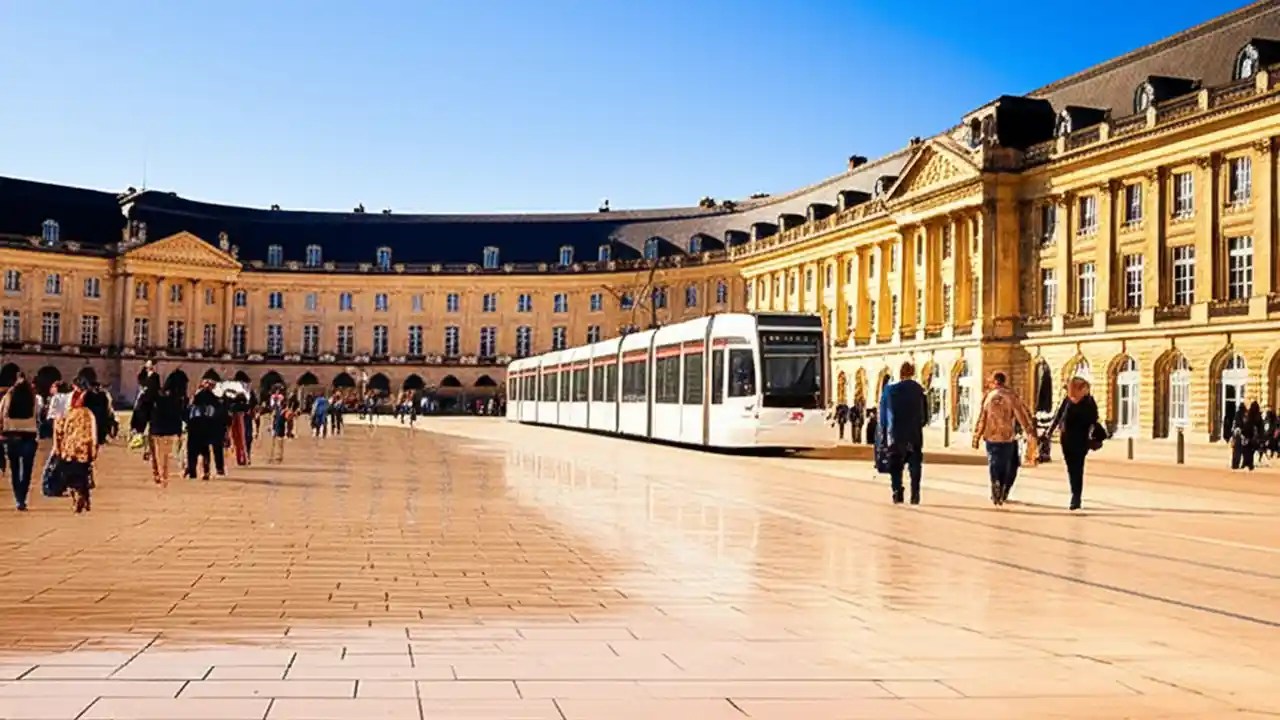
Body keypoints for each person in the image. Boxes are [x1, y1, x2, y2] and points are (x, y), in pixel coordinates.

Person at [972, 372, 1038, 506]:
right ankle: (1002, 488)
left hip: (991, 436)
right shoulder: (1011, 396)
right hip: (1007, 436)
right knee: (1008, 464)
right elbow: (1021, 414)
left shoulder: (988, 397)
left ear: (994, 382)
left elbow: (982, 418)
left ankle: (995, 482)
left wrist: (977, 436)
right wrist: (1029, 431)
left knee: (994, 461)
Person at [1047, 377, 1099, 511]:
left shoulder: (1089, 401)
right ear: (1078, 388)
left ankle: (1076, 497)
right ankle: (1074, 493)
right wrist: (1049, 432)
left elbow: (1094, 419)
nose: (1087, 391)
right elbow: (1058, 416)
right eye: (1085, 388)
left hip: (1081, 439)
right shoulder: (1067, 400)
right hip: (1066, 439)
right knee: (1071, 468)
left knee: (1078, 467)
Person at [879, 362, 928, 505]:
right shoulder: (919, 391)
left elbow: (883, 417)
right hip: (914, 435)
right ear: (912, 372)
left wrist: (883, 434)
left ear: (900, 373)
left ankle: (897, 491)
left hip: (894, 435)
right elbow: (925, 417)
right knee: (915, 464)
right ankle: (915, 493)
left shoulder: (889, 391)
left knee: (895, 465)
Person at [0, 374, 43, 511]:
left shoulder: (9, 395)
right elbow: (38, 414)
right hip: (29, 435)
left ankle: (18, 498)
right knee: (27, 469)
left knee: (15, 468)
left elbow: (2, 412)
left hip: (12, 434)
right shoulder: (33, 397)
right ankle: (23, 497)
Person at [135, 373, 186, 487]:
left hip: (156, 429)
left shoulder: (150, 397)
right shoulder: (174, 398)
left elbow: (142, 412)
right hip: (168, 429)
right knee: (165, 455)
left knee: (158, 455)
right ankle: (162, 475)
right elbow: (179, 414)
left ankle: (159, 474)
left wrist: (139, 428)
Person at [53, 388, 98, 513]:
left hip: (69, 450)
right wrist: (93, 449)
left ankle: (76, 497)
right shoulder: (89, 415)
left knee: (69, 475)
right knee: (82, 475)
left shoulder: (69, 413)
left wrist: (57, 446)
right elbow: (93, 434)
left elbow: (59, 429)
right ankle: (82, 496)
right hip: (83, 450)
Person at [186, 381, 226, 480]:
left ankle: (192, 471)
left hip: (194, 428)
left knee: (192, 452)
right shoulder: (212, 407)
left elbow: (186, 416)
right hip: (206, 428)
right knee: (205, 451)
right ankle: (206, 471)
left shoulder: (194, 407)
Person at [1230, 404, 1250, 470]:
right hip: (1240, 435)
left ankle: (1235, 464)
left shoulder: (1237, 414)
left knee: (1236, 451)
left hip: (1236, 435)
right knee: (1241, 451)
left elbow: (1234, 425)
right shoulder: (1242, 415)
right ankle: (1239, 464)